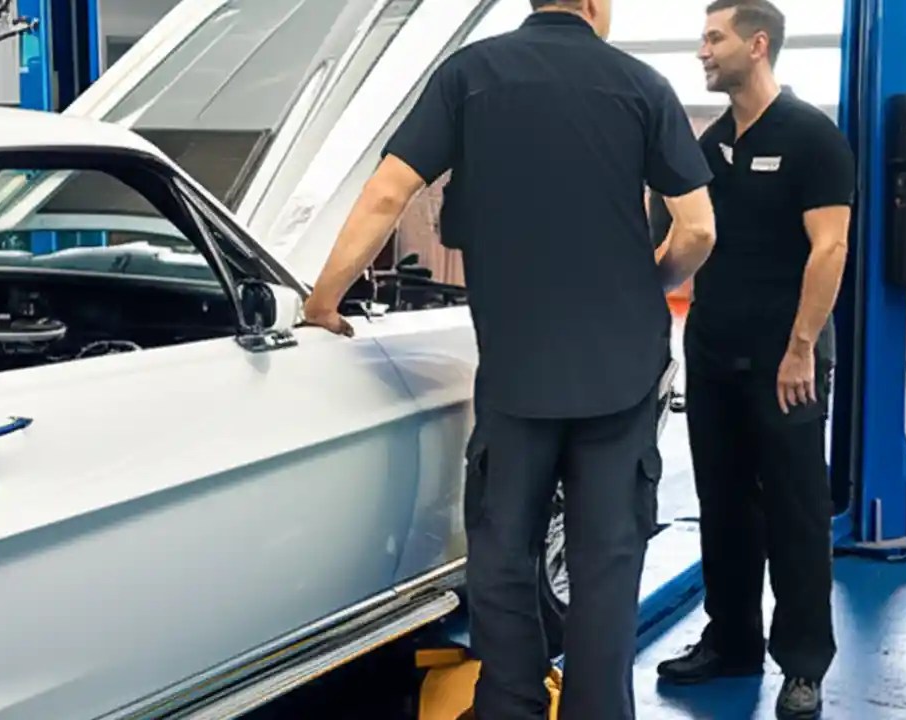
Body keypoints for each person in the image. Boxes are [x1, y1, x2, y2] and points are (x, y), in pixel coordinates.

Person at [301, 1, 717, 717]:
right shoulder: (641, 84)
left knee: (500, 557)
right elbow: (698, 228)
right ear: (594, 5)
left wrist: (323, 300)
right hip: (619, 374)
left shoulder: (468, 75)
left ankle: (510, 705)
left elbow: (388, 193)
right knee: (606, 563)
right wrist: (645, 282)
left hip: (517, 371)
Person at [652, 2, 855, 719]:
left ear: (758, 45)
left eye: (715, 38)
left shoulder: (812, 138)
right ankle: (730, 641)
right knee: (723, 507)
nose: (702, 51)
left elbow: (830, 248)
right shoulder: (711, 147)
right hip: (712, 354)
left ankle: (802, 664)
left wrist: (802, 348)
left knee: (797, 512)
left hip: (785, 361)